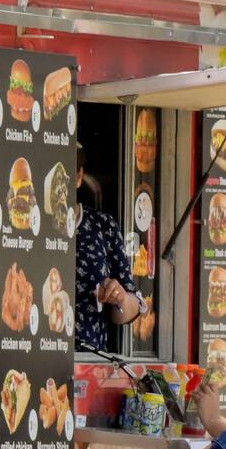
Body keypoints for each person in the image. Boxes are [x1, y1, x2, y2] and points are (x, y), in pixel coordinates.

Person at [74, 146, 145, 352]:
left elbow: (130, 308)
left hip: (87, 363)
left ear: (79, 176)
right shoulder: (27, 228)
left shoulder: (102, 226)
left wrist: (119, 296)